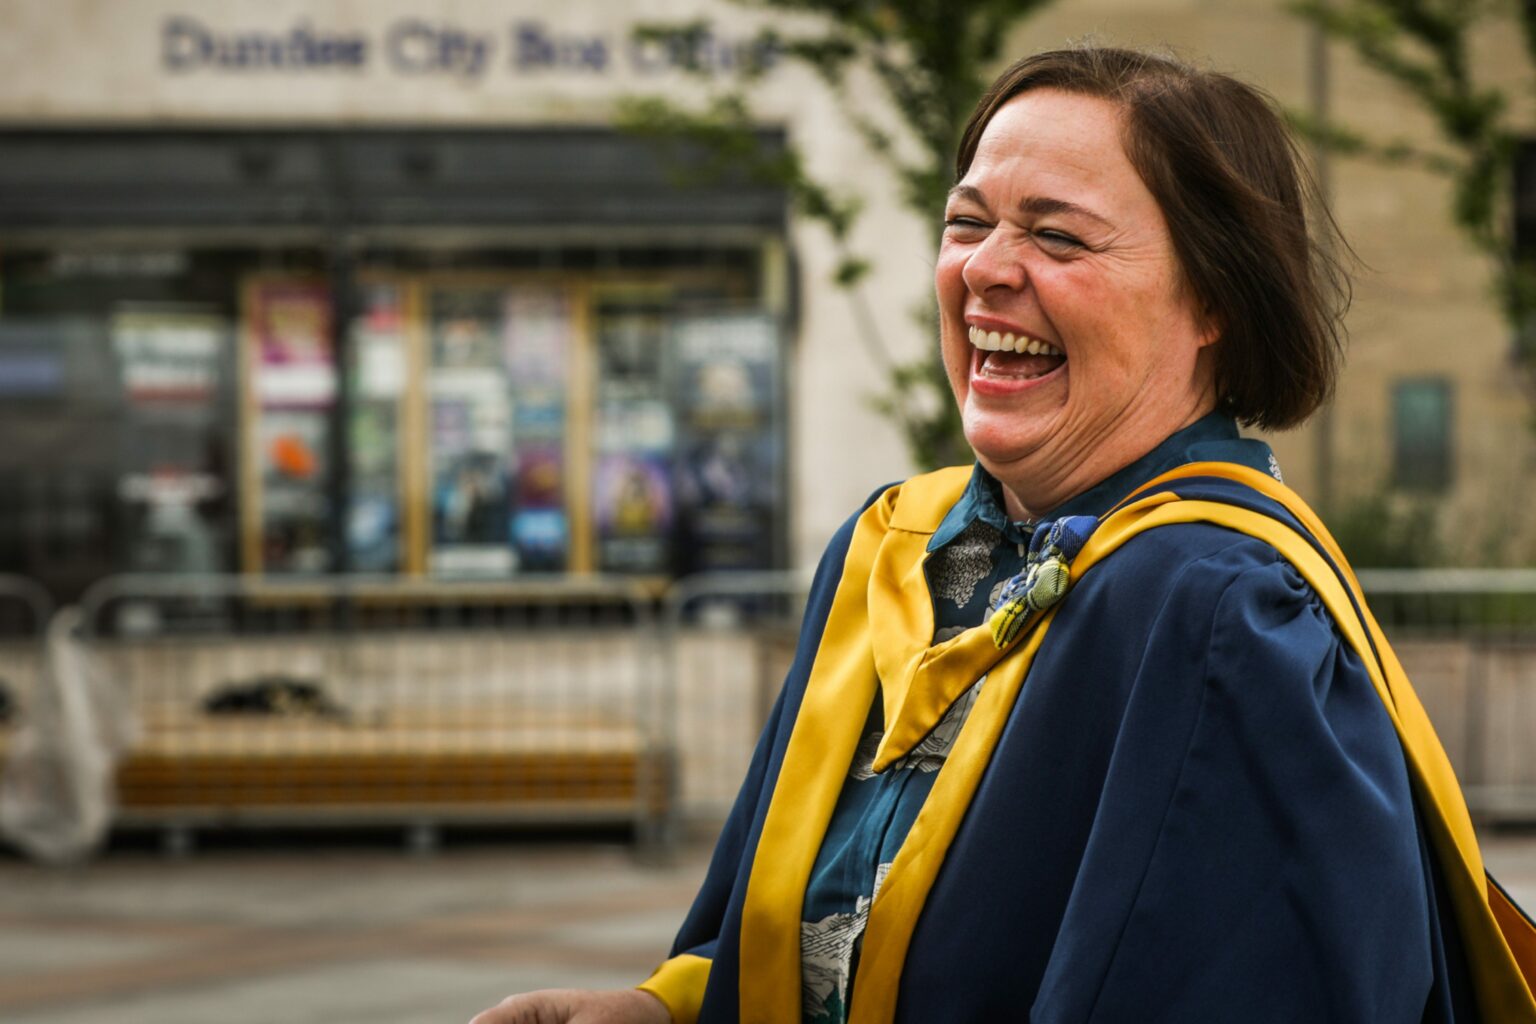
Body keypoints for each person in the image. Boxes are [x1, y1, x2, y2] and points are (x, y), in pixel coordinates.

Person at [474, 46, 1532, 1024]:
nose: (985, 268)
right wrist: (671, 1007)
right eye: (967, 222)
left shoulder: (1219, 612)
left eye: (1057, 235)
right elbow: (835, 918)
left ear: (1214, 300)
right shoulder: (893, 549)